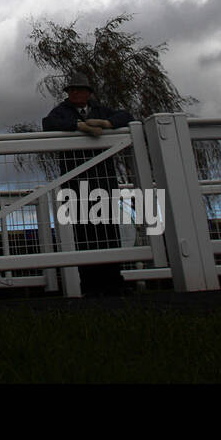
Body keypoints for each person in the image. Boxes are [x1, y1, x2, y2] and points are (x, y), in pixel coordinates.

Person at [42, 71, 135, 297]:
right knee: (83, 231)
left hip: (103, 181)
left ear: (88, 93)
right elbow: (49, 124)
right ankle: (90, 284)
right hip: (76, 183)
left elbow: (127, 116)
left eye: (78, 89)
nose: (74, 93)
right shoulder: (60, 112)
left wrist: (107, 122)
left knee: (108, 230)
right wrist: (78, 126)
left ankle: (114, 280)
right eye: (71, 90)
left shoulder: (101, 110)